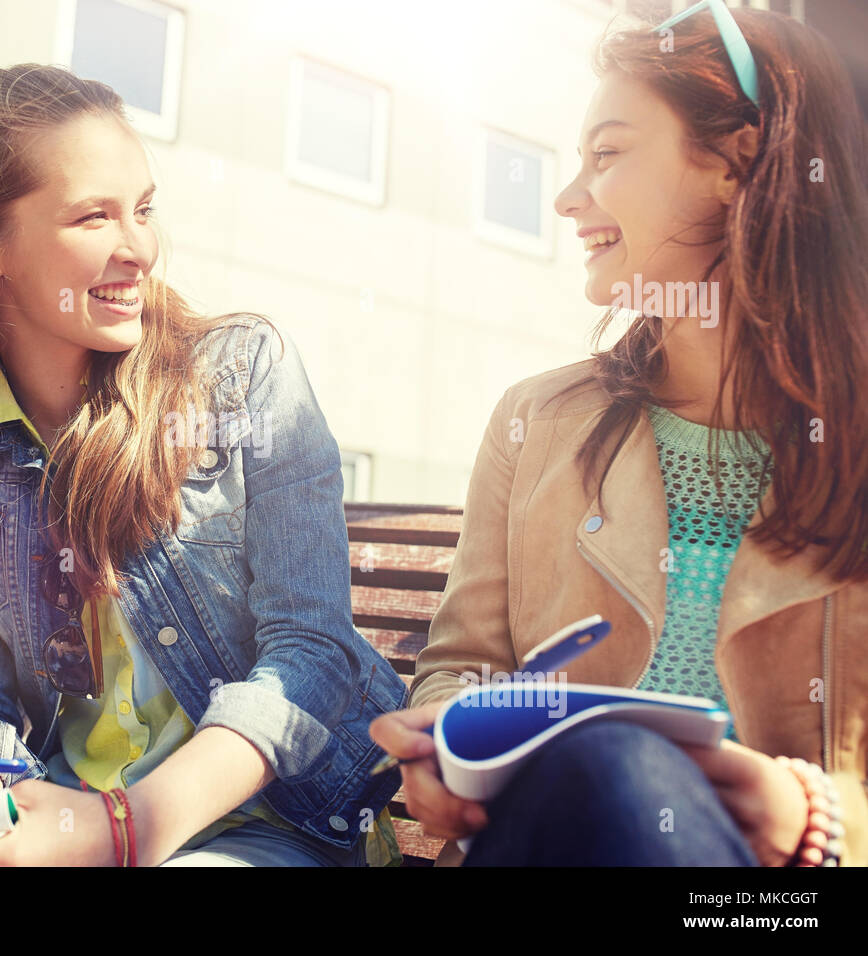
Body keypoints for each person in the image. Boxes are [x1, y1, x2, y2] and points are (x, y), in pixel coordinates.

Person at [0, 64, 407, 867]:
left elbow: (312, 653)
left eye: (142, 210)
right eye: (93, 218)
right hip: (57, 809)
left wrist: (126, 827)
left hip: (272, 826)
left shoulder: (244, 372)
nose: (139, 247)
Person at [371, 4, 867, 867]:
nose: (568, 199)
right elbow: (463, 666)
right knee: (609, 767)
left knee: (622, 768)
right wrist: (447, 743)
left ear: (736, 160)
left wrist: (810, 814)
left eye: (606, 155)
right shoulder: (538, 423)